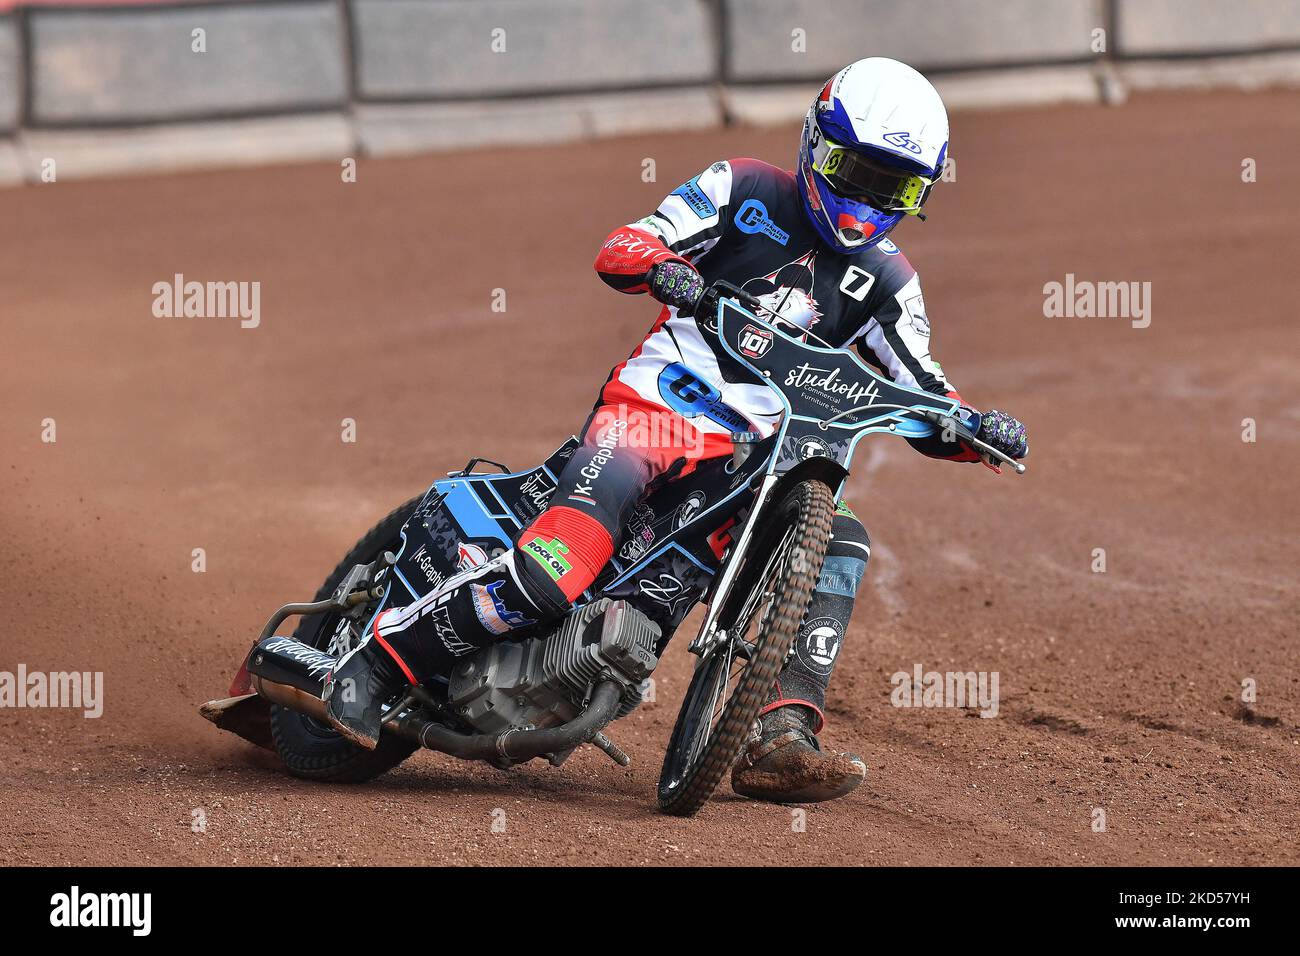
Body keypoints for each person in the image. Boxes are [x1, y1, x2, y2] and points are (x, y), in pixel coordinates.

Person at [323, 57, 1028, 804]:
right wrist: (662, 267)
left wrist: (974, 424)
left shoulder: (889, 281)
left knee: (842, 540)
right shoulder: (744, 186)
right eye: (855, 173)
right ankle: (373, 666)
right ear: (818, 146)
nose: (865, 203)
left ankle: (780, 737)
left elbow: (920, 383)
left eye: (893, 189)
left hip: (761, 457)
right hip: (654, 414)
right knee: (556, 570)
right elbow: (625, 245)